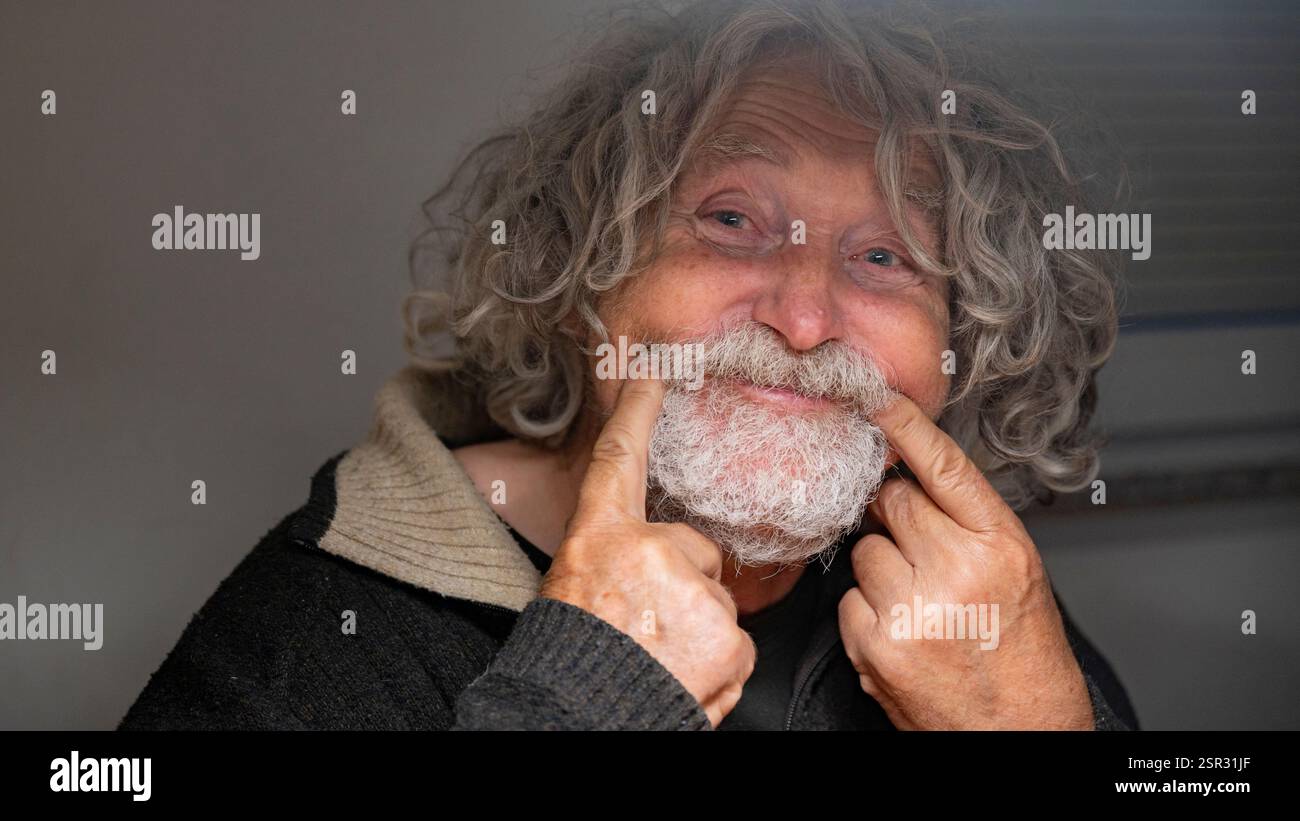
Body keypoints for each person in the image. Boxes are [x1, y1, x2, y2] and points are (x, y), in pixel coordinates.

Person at [119, 0, 1138, 731]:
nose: (803, 315)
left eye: (884, 257)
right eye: (732, 220)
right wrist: (583, 698)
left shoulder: (972, 608)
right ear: (577, 274)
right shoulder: (317, 634)